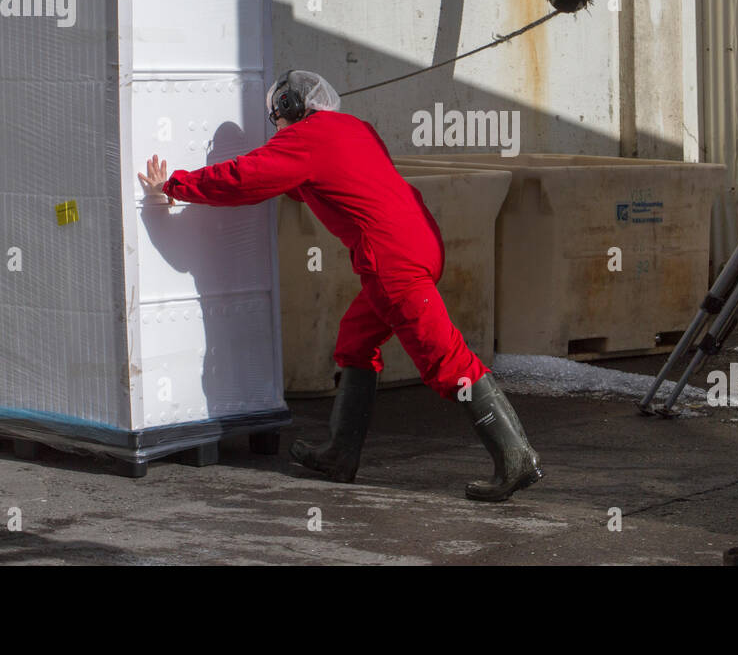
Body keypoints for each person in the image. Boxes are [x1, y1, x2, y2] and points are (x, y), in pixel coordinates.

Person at [136, 69, 542, 501]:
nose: (275, 126)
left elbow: (245, 177)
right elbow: (327, 178)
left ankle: (515, 456)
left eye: (276, 116)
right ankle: (341, 455)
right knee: (355, 340)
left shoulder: (304, 138)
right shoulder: (353, 128)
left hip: (392, 262)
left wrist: (176, 185)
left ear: (290, 107)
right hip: (421, 243)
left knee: (446, 359)